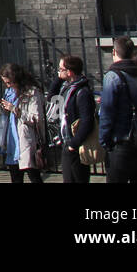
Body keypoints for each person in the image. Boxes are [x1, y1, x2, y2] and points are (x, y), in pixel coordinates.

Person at [99, 36, 137, 185]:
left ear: (114, 52)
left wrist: (104, 141)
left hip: (120, 142)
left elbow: (107, 112)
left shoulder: (113, 77)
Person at [0, 63, 46, 184]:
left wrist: (15, 109)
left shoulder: (32, 93)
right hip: (12, 140)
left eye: (9, 82)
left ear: (17, 79)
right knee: (16, 177)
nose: (7, 85)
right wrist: (3, 107)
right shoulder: (9, 92)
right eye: (5, 83)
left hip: (26, 140)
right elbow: (7, 116)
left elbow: (36, 118)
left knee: (34, 175)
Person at [56, 54, 96, 184]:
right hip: (67, 142)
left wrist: (73, 144)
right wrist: (59, 78)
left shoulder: (82, 92)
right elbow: (52, 95)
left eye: (61, 69)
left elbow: (87, 121)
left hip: (75, 145)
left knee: (77, 178)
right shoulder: (66, 88)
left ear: (70, 72)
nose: (58, 71)